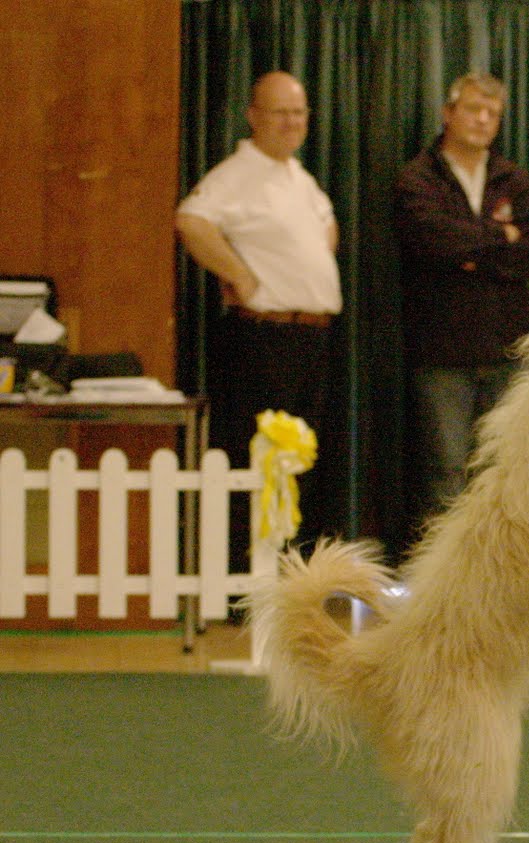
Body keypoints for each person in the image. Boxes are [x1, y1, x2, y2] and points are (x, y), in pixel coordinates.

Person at [176, 71, 342, 559]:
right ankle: (244, 576)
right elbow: (190, 221)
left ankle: (284, 568)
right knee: (260, 459)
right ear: (254, 116)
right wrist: (241, 275)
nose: (292, 122)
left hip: (309, 338)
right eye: (281, 112)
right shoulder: (236, 174)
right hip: (265, 339)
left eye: (299, 112)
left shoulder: (300, 177)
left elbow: (326, 231)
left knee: (298, 463)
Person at [394, 72, 529, 529]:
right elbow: (430, 241)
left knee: (504, 472)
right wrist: (501, 239)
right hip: (442, 355)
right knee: (444, 474)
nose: (483, 120)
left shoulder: (514, 181)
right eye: (472, 109)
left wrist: (471, 253)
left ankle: (495, 579)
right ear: (448, 114)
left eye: (492, 113)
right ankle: (443, 586)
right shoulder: (418, 177)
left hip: (507, 352)